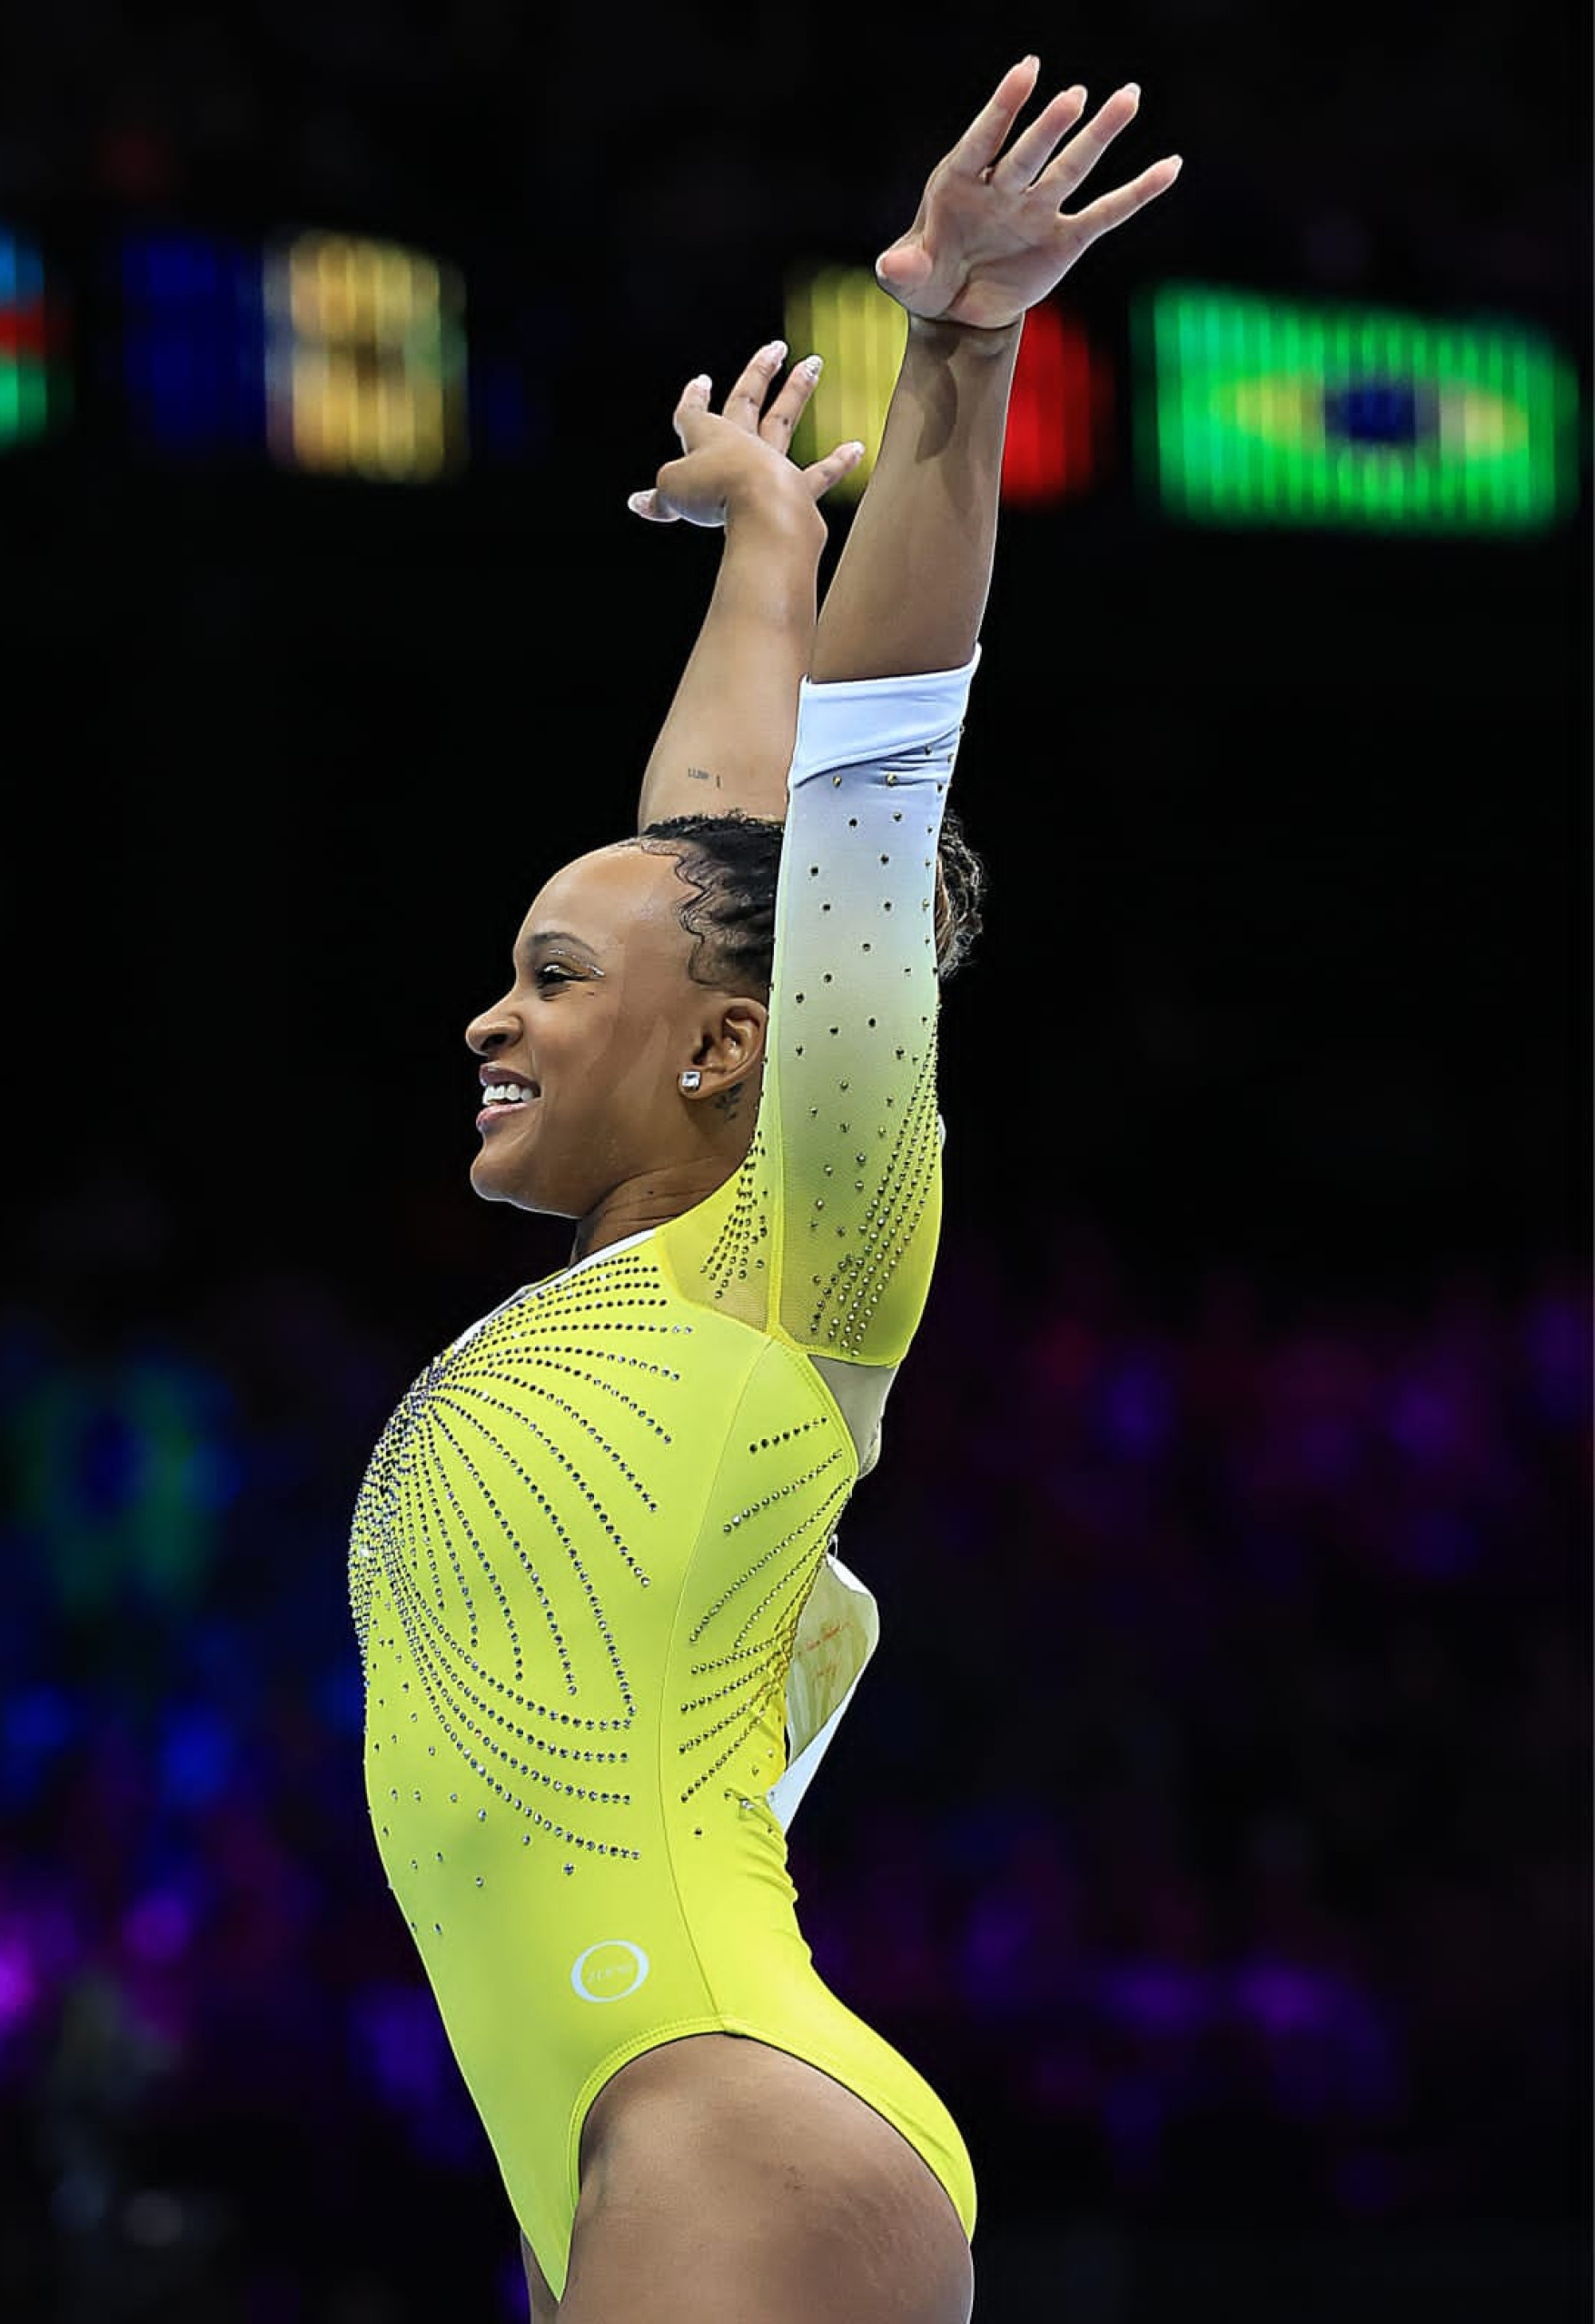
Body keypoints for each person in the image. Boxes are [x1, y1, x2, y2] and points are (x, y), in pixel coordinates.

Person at [347, 59, 1180, 2324]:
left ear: (736, 1048)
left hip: (720, 2111)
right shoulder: (681, 1247)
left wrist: (962, 354)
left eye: (544, 982)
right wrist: (758, 543)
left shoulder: (802, 1245)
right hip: (591, 2153)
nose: (488, 1023)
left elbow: (862, 789)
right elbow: (714, 839)